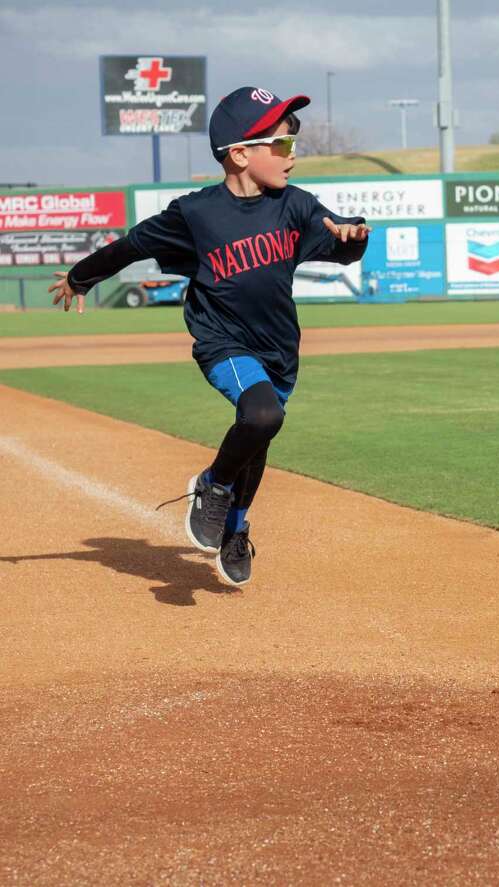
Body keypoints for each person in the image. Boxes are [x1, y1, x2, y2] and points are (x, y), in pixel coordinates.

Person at [47, 87, 370, 585]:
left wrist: (355, 236)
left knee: (259, 434)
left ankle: (235, 528)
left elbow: (340, 239)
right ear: (239, 154)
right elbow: (131, 246)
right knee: (262, 415)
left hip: (279, 349)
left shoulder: (296, 206)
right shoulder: (195, 214)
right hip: (223, 343)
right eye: (281, 144)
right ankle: (212, 484)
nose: (292, 154)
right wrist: (80, 277)